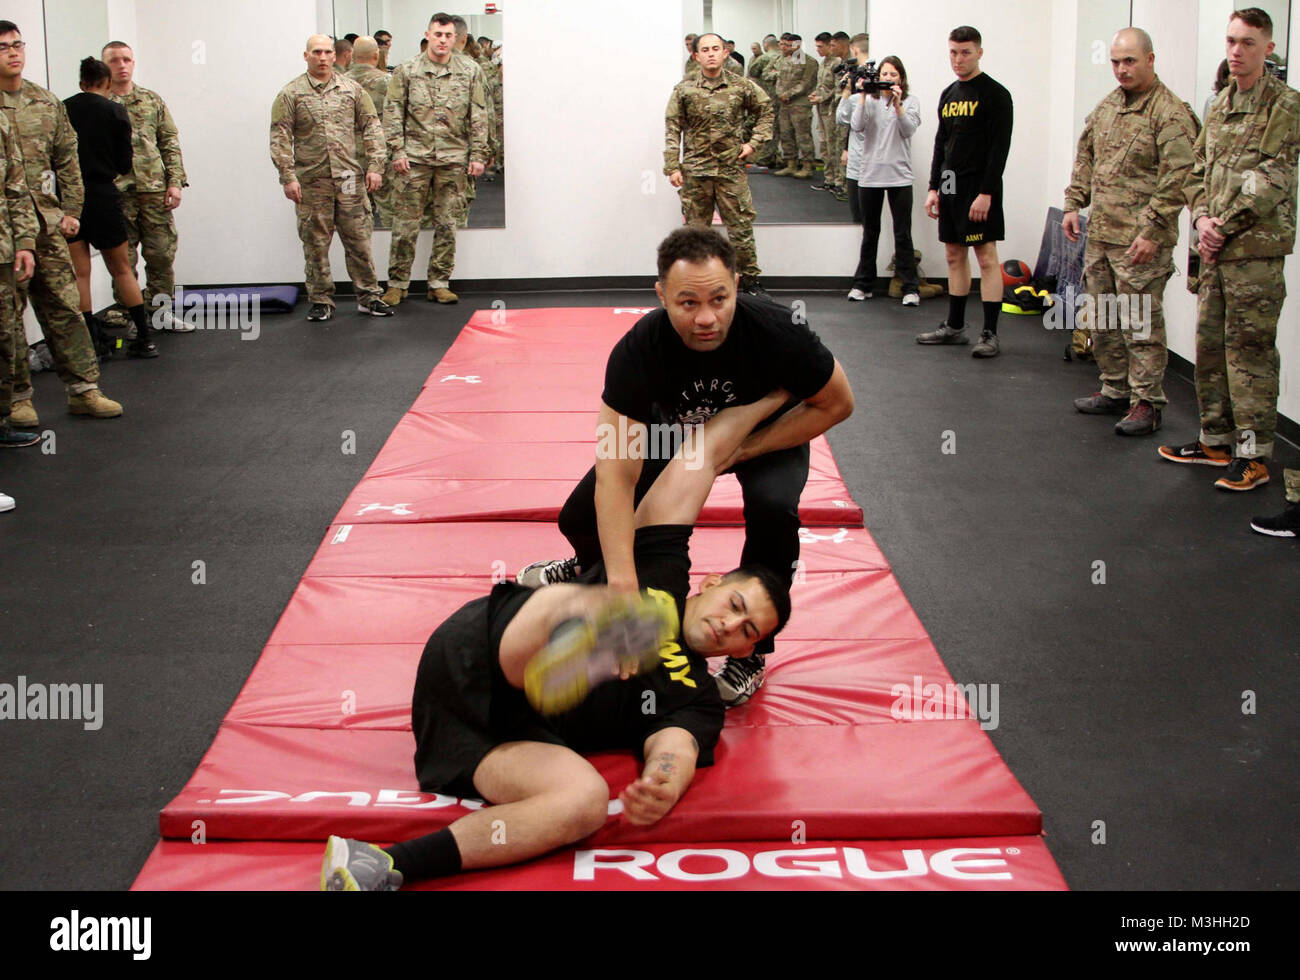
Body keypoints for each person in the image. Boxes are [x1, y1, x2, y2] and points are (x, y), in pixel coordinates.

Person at [321, 387, 794, 890]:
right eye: (736, 606)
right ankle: (594, 619)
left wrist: (663, 782)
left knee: (586, 802)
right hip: (484, 650)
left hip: (493, 732)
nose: (729, 625)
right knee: (600, 603)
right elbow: (695, 465)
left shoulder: (699, 700)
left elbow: (673, 748)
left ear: (746, 652)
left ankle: (381, 864)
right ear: (713, 583)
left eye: (747, 632)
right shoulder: (665, 571)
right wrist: (778, 392)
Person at [518, 228, 855, 708]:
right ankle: (584, 569)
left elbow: (838, 404)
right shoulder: (639, 351)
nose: (706, 318)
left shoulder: (779, 333)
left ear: (736, 286)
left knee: (774, 508)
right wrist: (622, 584)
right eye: (687, 303)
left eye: (719, 299)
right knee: (580, 518)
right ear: (661, 296)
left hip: (764, 434)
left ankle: (753, 653)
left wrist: (744, 450)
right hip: (673, 434)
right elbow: (615, 473)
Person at [1160, 7, 1300, 497]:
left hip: (1254, 254)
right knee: (1211, 350)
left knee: (1251, 355)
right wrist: (1200, 218)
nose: (1236, 52)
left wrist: (1224, 225)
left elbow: (1273, 180)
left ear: (1269, 48)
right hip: (1215, 250)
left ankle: (1254, 454)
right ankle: (1216, 440)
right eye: (1231, 41)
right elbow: (1196, 169)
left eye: (1247, 43)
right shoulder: (1218, 105)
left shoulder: (1284, 105)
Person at [1063, 28, 1198, 436]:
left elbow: (1180, 176)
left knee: (1140, 323)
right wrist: (1073, 203)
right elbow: (1087, 156)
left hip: (1141, 242)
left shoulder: (1169, 113)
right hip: (1103, 236)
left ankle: (1147, 403)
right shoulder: (1108, 107)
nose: (1122, 69)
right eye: (1117, 61)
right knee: (1104, 319)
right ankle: (1115, 389)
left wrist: (1154, 230)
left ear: (1150, 60)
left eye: (1130, 61)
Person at [0, 21, 122, 425]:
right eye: (4, 47)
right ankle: (17, 399)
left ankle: (84, 389)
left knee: (65, 308)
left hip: (46, 223)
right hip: (3, 230)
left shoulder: (45, 102)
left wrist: (71, 211)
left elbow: (69, 159)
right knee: (8, 319)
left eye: (18, 44)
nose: (14, 53)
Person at [269, 34, 393, 321]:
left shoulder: (352, 89)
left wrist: (375, 166)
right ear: (306, 56)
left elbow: (372, 127)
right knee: (315, 243)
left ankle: (369, 296)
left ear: (335, 56)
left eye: (327, 52)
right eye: (316, 52)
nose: (323, 57)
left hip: (349, 177)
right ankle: (321, 299)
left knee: (359, 239)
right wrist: (288, 176)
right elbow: (280, 138)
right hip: (313, 181)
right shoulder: (291, 93)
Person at [917, 25, 1013, 358]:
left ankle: (989, 333)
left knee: (986, 258)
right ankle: (955, 327)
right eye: (953, 53)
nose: (958, 59)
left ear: (979, 53)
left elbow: (999, 149)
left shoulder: (996, 95)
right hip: (951, 187)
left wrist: (986, 193)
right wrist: (934, 189)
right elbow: (942, 144)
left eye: (966, 52)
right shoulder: (949, 94)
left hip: (980, 189)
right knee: (953, 255)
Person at [381, 13, 488, 307]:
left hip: (454, 158)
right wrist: (397, 151)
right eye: (438, 34)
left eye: (448, 35)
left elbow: (479, 115)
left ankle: (439, 283)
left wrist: (478, 154)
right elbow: (392, 114)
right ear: (428, 35)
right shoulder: (407, 70)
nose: (442, 40)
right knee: (405, 224)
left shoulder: (470, 70)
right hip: (413, 159)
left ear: (456, 38)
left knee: (447, 223)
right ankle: (397, 284)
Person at [64, 57, 162, 358]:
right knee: (122, 269)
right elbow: (123, 163)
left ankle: (92, 343)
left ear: (82, 84)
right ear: (107, 85)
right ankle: (144, 340)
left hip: (70, 198)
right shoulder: (116, 110)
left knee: (81, 273)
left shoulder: (63, 108)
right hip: (104, 194)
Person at [664, 33, 774, 298]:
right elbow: (673, 127)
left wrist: (753, 144)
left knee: (741, 228)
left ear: (725, 53)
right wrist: (672, 166)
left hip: (730, 170)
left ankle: (749, 282)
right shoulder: (684, 89)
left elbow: (766, 111)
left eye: (716, 48)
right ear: (696, 55)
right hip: (696, 172)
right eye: (705, 49)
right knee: (695, 233)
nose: (711, 53)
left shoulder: (741, 86)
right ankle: (694, 282)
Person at [102, 41, 190, 333]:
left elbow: (169, 143)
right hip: (118, 192)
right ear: (105, 66)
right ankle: (130, 316)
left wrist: (175, 182)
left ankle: (161, 312)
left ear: (134, 62)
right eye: (115, 60)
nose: (122, 65)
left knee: (162, 254)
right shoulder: (99, 104)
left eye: (127, 59)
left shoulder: (152, 100)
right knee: (123, 259)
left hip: (154, 190)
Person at [844, 55, 921, 307]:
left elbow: (908, 130)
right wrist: (864, 95)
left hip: (899, 176)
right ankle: (862, 284)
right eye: (884, 74)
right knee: (870, 232)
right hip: (870, 175)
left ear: (901, 78)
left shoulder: (911, 102)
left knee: (903, 234)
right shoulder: (867, 100)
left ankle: (910, 287)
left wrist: (897, 104)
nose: (888, 79)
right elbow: (856, 126)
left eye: (893, 75)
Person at [0, 104, 39, 488]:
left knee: (5, 334)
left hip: (3, 247)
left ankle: (3, 420)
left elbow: (15, 185)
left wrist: (25, 240)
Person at [773, 34, 818, 179]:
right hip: (784, 104)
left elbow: (806, 83)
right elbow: (779, 79)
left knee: (802, 135)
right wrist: (780, 93)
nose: (784, 47)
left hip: (800, 104)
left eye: (788, 44)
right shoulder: (784, 60)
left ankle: (807, 166)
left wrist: (789, 94)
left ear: (798, 45)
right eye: (783, 44)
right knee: (786, 134)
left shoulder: (809, 62)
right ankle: (790, 164)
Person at [808, 32, 844, 198]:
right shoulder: (824, 63)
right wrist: (815, 95)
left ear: (830, 45)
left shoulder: (837, 63)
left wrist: (821, 97)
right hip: (821, 110)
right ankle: (828, 179)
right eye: (816, 46)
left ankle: (839, 181)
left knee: (834, 146)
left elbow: (838, 88)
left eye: (820, 46)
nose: (818, 50)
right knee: (824, 146)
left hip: (832, 111)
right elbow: (821, 85)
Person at [748, 35, 782, 168]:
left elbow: (753, 72)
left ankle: (766, 156)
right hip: (784, 98)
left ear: (765, 45)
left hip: (768, 96)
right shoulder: (785, 57)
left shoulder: (765, 58)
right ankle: (775, 155)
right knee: (781, 129)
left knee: (768, 126)